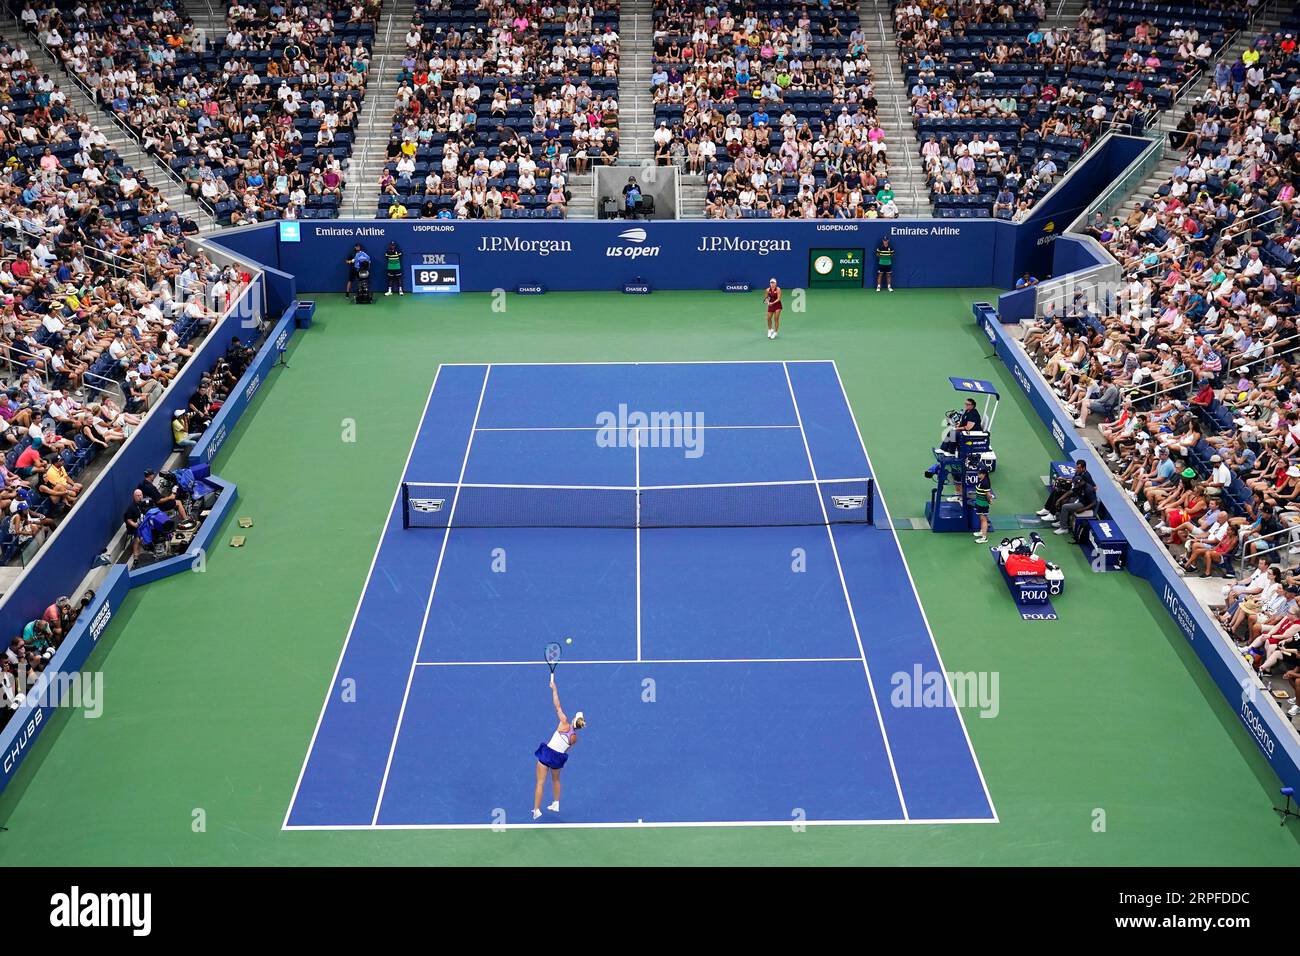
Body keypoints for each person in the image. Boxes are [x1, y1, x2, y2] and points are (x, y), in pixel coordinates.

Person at [532, 675, 585, 820]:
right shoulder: (574, 738)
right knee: (556, 780)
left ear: (574, 720)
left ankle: (536, 810)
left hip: (547, 754)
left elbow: (557, 705)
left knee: (540, 782)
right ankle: (556, 803)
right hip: (558, 758)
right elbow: (565, 749)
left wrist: (554, 689)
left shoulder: (564, 722)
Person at [971, 463, 993, 544]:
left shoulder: (985, 483)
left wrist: (989, 500)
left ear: (984, 474)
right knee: (981, 518)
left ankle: (984, 537)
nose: (978, 475)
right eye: (978, 473)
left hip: (983, 504)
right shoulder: (981, 480)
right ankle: (982, 531)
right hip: (979, 503)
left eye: (980, 473)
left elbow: (988, 494)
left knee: (984, 520)